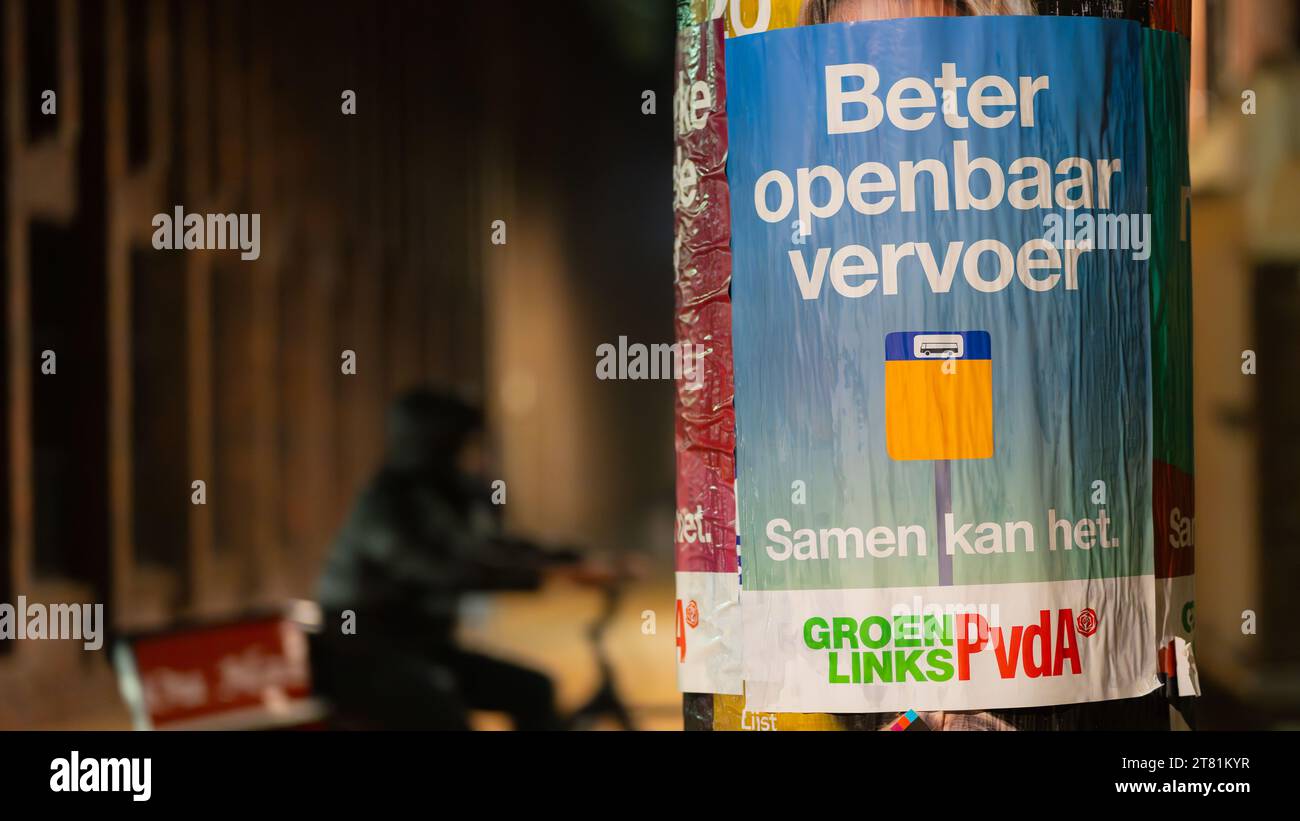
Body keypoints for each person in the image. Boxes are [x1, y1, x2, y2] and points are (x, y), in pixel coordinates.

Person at [312, 388, 611, 730]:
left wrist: (570, 560)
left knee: (533, 690)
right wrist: (542, 576)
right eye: (465, 444)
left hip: (424, 645)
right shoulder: (388, 501)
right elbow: (435, 570)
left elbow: (489, 546)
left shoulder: (441, 494)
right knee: (446, 714)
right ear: (436, 443)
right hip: (367, 653)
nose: (474, 456)